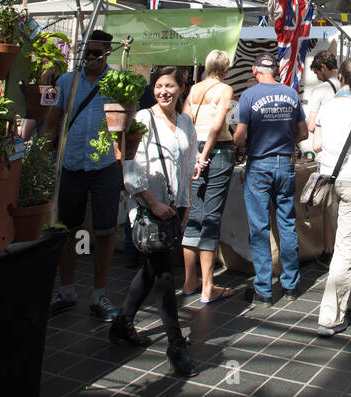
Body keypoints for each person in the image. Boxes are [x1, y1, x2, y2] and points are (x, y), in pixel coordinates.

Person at [110, 66, 198, 377]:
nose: (164, 91)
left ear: (181, 89)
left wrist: (185, 205)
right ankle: (176, 345)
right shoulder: (142, 120)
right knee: (163, 274)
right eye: (159, 85)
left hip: (173, 208)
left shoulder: (186, 122)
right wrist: (152, 202)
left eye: (170, 86)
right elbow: (131, 166)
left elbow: (188, 166)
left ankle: (122, 322)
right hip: (149, 207)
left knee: (150, 269)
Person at [42, 29, 123, 322]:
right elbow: (51, 120)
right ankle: (67, 290)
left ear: (107, 53)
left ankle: (99, 293)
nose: (89, 58)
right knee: (67, 229)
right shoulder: (66, 81)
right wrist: (43, 156)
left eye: (95, 53)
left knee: (104, 231)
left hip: (104, 165)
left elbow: (129, 124)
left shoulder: (118, 82)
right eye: (86, 52)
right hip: (72, 163)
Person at [234, 52, 307, 306]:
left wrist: (252, 144)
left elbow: (239, 138)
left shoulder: (248, 96)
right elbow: (304, 132)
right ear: (275, 70)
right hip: (285, 163)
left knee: (259, 227)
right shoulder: (290, 94)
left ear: (255, 70)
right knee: (287, 223)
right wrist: (287, 142)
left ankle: (264, 289)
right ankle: (291, 284)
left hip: (259, 164)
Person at [313, 57, 351, 336]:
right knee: (346, 247)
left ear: (341, 79)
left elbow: (316, 145)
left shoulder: (327, 105)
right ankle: (329, 316)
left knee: (345, 241)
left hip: (329, 179)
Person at [181, 48, 236, 304]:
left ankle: (189, 281)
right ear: (225, 69)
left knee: (194, 214)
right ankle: (207, 286)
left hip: (195, 148)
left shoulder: (194, 89)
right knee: (211, 216)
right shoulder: (224, 90)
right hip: (217, 150)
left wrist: (194, 154)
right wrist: (205, 155)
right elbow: (216, 124)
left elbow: (186, 120)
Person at [305, 50, 339, 132]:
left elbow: (312, 126)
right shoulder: (349, 84)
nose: (318, 78)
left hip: (328, 141)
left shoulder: (319, 90)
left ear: (323, 67)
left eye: (317, 73)